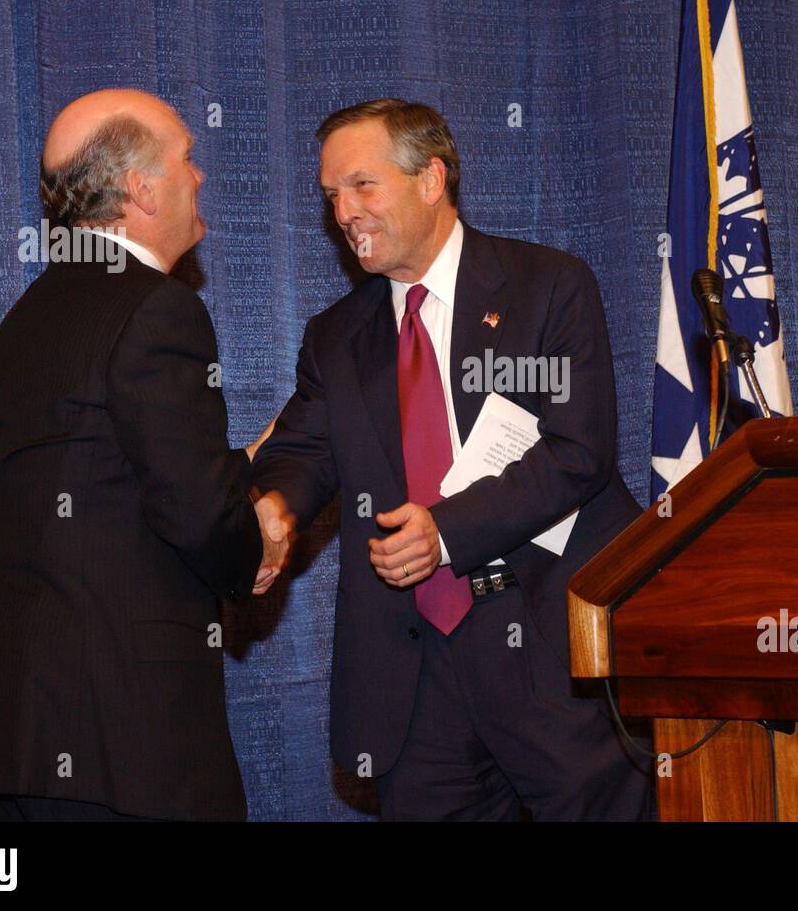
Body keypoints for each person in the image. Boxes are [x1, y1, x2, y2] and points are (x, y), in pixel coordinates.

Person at [251, 99, 652, 820]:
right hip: (415, 672)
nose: (343, 212)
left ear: (431, 179)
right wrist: (274, 511)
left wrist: (444, 531)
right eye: (331, 195)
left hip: (547, 646)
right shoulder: (336, 336)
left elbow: (577, 452)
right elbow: (305, 452)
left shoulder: (545, 288)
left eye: (362, 186)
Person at [0, 88, 281, 822]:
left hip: (15, 728)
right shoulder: (158, 309)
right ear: (140, 189)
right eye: (187, 159)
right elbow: (195, 515)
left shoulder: (26, 320)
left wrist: (232, 475)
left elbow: (109, 491)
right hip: (119, 736)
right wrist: (257, 535)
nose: (199, 177)